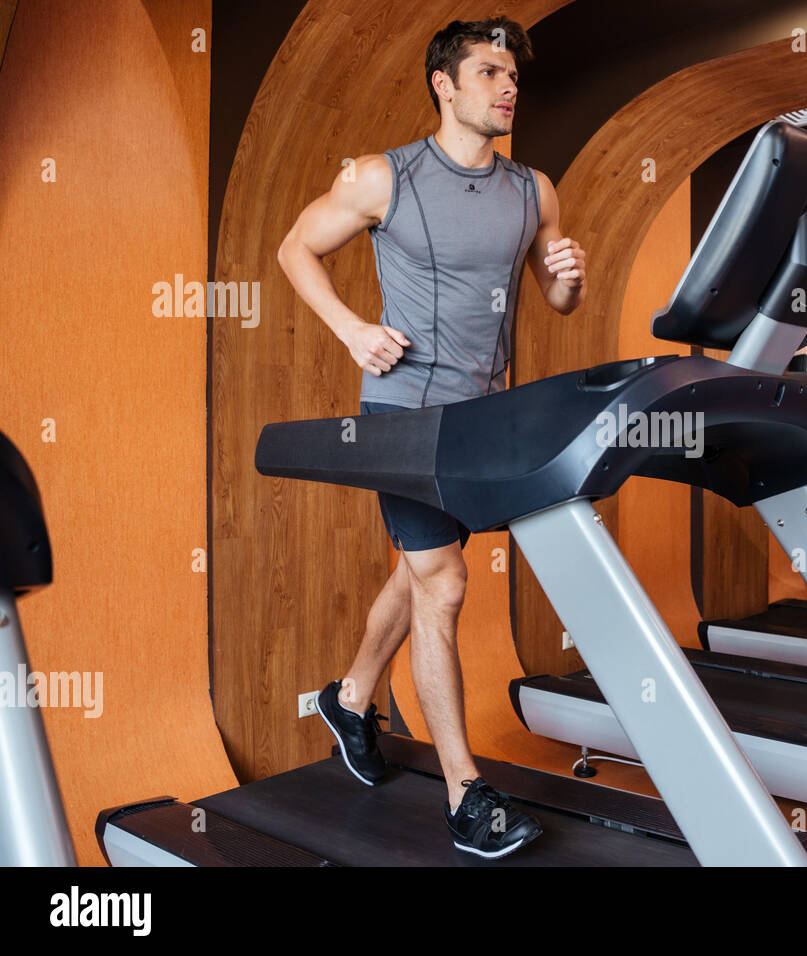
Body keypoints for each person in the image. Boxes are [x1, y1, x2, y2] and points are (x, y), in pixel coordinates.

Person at [275, 16, 585, 859]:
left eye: (511, 72)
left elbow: (556, 299)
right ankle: (465, 795)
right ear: (445, 85)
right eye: (489, 71)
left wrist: (566, 280)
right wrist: (348, 330)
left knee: (424, 573)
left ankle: (348, 697)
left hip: (488, 418)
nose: (508, 85)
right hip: (404, 419)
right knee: (443, 587)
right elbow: (295, 247)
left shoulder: (534, 189)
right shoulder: (384, 178)